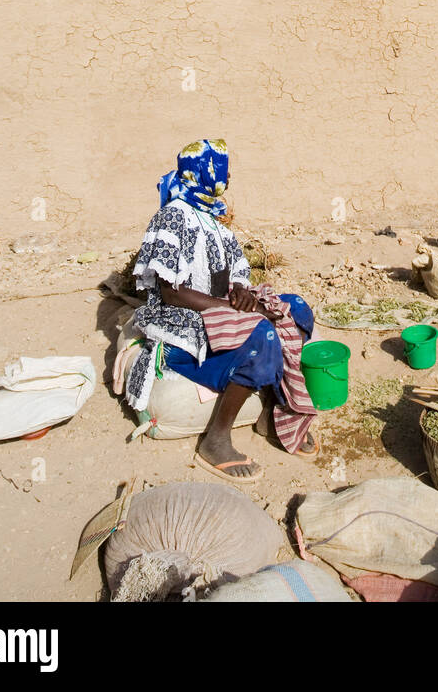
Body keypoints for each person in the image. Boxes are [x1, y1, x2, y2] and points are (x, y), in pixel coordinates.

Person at [125, 139, 316, 481]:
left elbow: (237, 270)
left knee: (296, 309)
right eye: (223, 169)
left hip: (215, 307)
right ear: (207, 173)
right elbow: (172, 294)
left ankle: (271, 409)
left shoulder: (214, 220)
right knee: (262, 335)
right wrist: (233, 308)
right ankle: (216, 438)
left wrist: (242, 294)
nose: (228, 176)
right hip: (180, 319)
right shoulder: (171, 218)